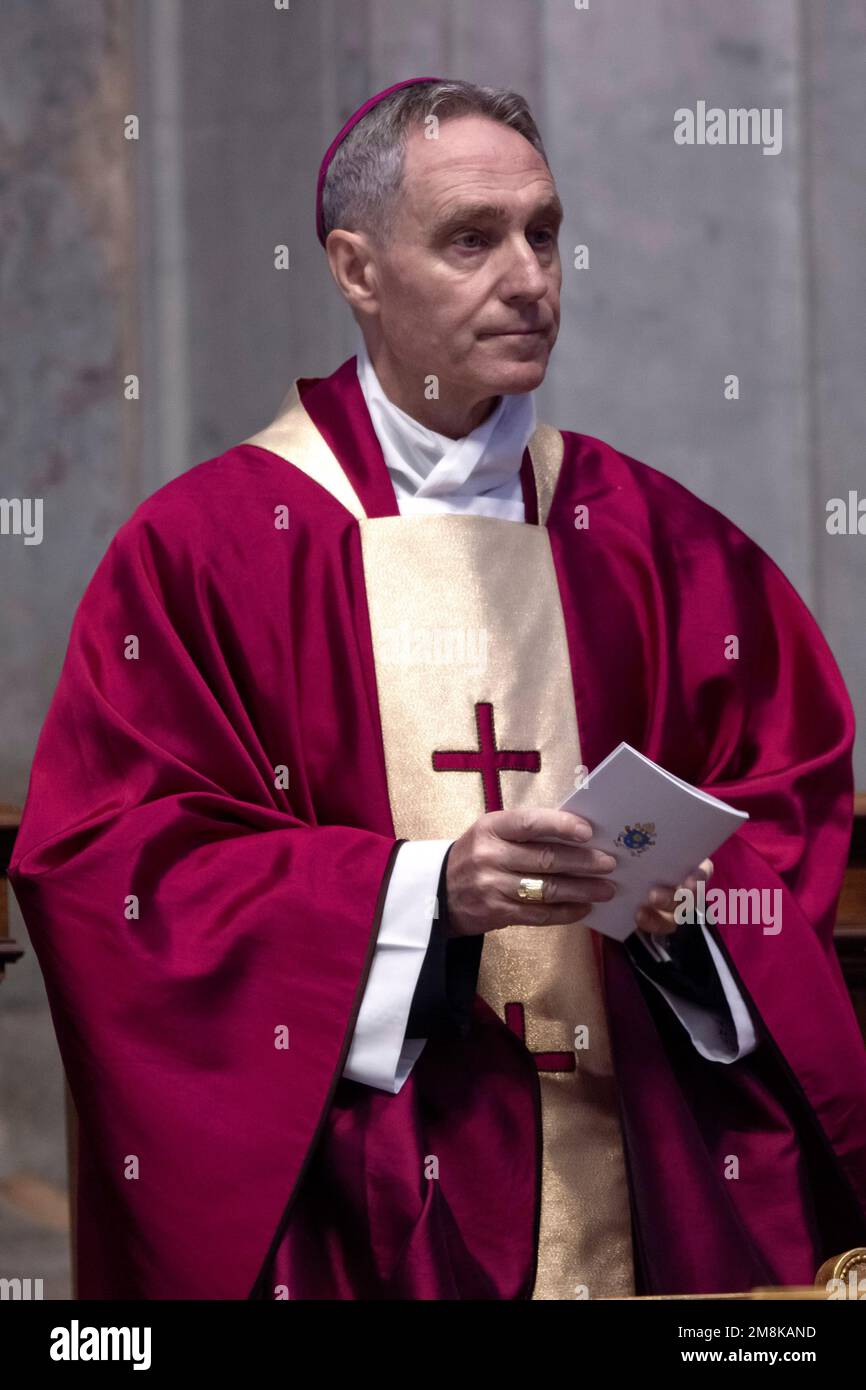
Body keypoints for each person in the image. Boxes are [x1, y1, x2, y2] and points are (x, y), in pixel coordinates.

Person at [10, 78, 866, 1301]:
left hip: (643, 1163)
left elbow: (782, 803)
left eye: (543, 233)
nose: (528, 277)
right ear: (356, 269)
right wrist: (419, 896)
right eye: (472, 238)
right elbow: (116, 871)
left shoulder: (661, 545)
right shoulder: (208, 549)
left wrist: (694, 904)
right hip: (363, 1190)